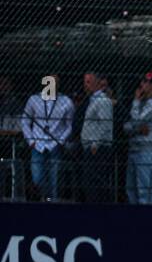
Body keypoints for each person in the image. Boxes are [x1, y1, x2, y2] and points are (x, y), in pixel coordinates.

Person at [20, 75, 75, 203]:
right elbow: (25, 121)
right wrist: (31, 140)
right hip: (38, 144)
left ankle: (52, 202)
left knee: (54, 179)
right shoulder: (34, 99)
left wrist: (60, 141)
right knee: (37, 178)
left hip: (54, 144)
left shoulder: (66, 102)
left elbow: (69, 126)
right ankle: (42, 200)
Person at [124, 73, 152, 205]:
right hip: (133, 149)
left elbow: (136, 121)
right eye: (142, 81)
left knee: (145, 190)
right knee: (131, 189)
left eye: (146, 82)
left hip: (145, 151)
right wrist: (137, 128)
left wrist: (135, 102)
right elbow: (126, 127)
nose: (142, 84)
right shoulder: (140, 103)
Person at [80, 71, 115, 203]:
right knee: (90, 182)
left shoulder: (102, 101)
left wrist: (95, 143)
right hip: (91, 148)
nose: (85, 85)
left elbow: (105, 123)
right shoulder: (93, 101)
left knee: (95, 183)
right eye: (85, 82)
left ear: (97, 83)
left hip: (98, 149)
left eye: (88, 82)